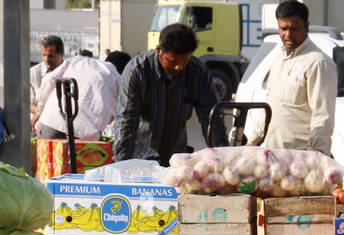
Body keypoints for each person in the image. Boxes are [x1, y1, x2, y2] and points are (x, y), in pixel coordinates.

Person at [113, 23, 218, 165]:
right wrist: (123, 163)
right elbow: (127, 120)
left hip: (178, 160)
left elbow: (211, 119)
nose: (179, 67)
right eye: (173, 62)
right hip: (141, 158)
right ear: (158, 50)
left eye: (184, 62)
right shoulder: (137, 71)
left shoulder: (198, 72)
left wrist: (221, 157)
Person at [252, 0, 336, 154]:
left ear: (307, 27)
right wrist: (251, 142)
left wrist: (316, 159)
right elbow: (269, 107)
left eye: (294, 28)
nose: (288, 34)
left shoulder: (318, 63)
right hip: (273, 155)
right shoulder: (279, 60)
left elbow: (322, 118)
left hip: (301, 158)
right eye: (283, 28)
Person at [32, 51, 120, 141]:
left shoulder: (78, 61)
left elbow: (49, 80)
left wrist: (39, 111)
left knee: (48, 154)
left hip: (50, 124)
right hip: (83, 135)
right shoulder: (118, 79)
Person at [30, 36, 67, 125]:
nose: (46, 59)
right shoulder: (34, 73)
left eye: (51, 56)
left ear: (61, 54)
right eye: (44, 55)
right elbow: (29, 104)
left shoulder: (70, 71)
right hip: (41, 125)